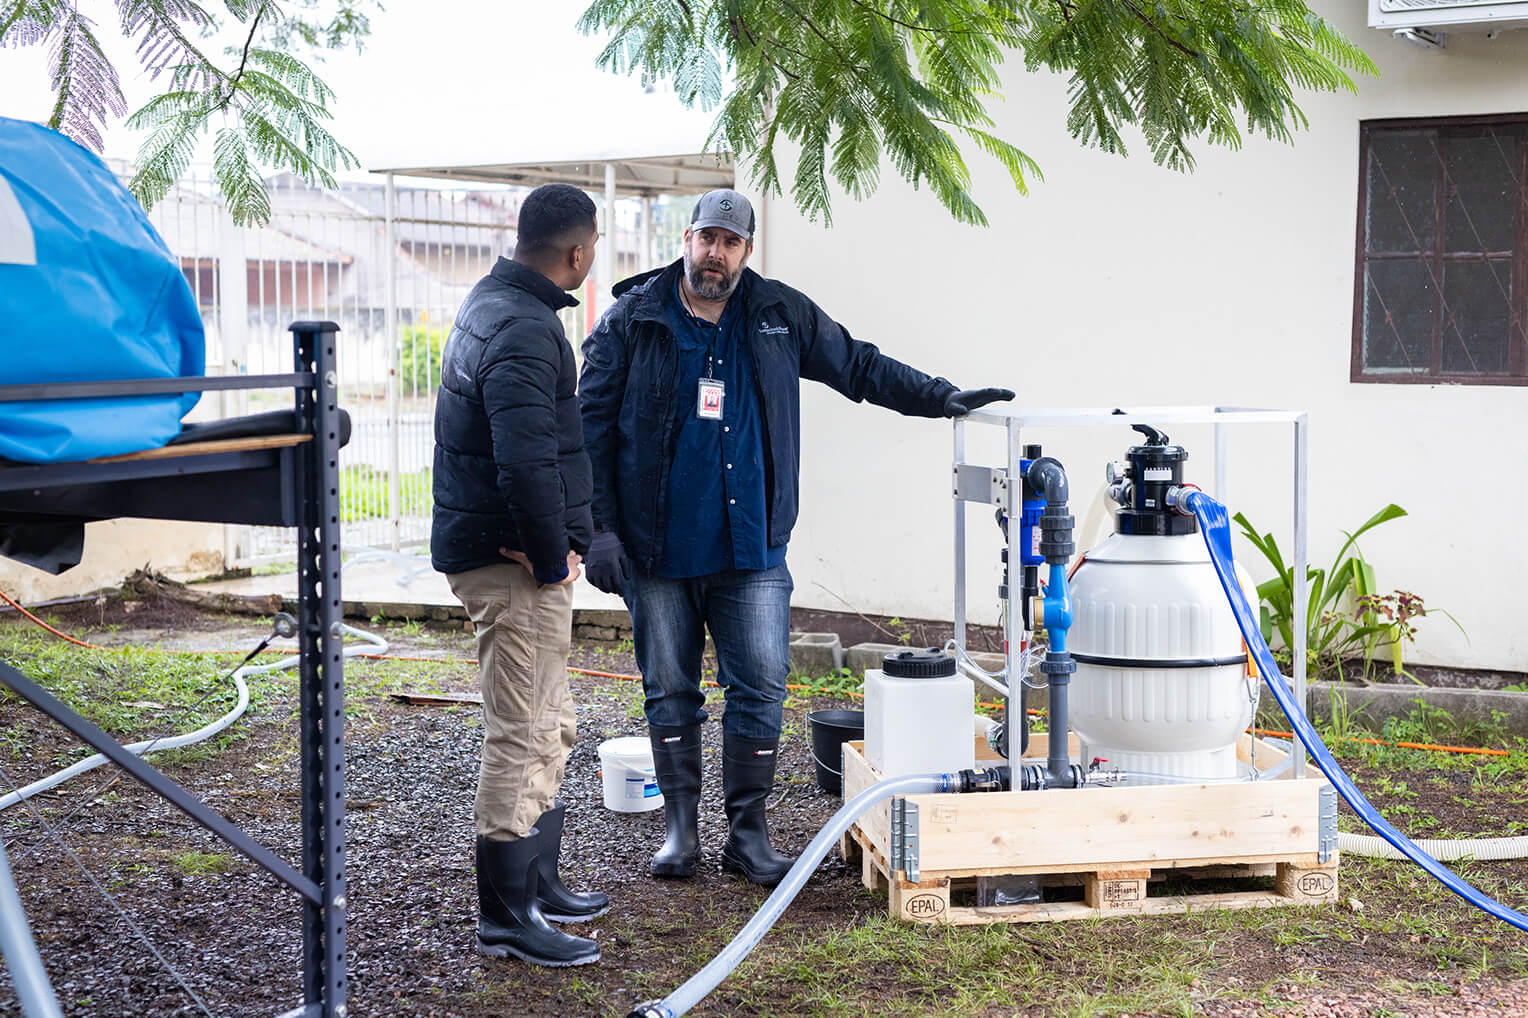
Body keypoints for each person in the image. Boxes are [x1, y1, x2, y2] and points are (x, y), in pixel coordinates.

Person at [578, 189, 1013, 887]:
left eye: (730, 242)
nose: (715, 253)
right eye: (706, 238)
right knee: (669, 689)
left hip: (750, 548)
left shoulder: (779, 314)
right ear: (685, 239)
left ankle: (747, 836)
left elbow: (860, 366)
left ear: (748, 251)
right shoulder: (633, 319)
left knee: (761, 687)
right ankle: (681, 833)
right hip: (654, 550)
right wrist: (597, 530)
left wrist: (937, 396)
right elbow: (587, 426)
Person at [430, 183, 605, 967]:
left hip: (508, 555)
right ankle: (506, 915)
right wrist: (548, 555)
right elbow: (526, 461)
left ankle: (537, 880)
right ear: (577, 252)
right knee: (523, 731)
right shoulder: (528, 329)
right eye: (593, 248)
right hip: (512, 568)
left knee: (553, 720)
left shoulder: (494, 303)